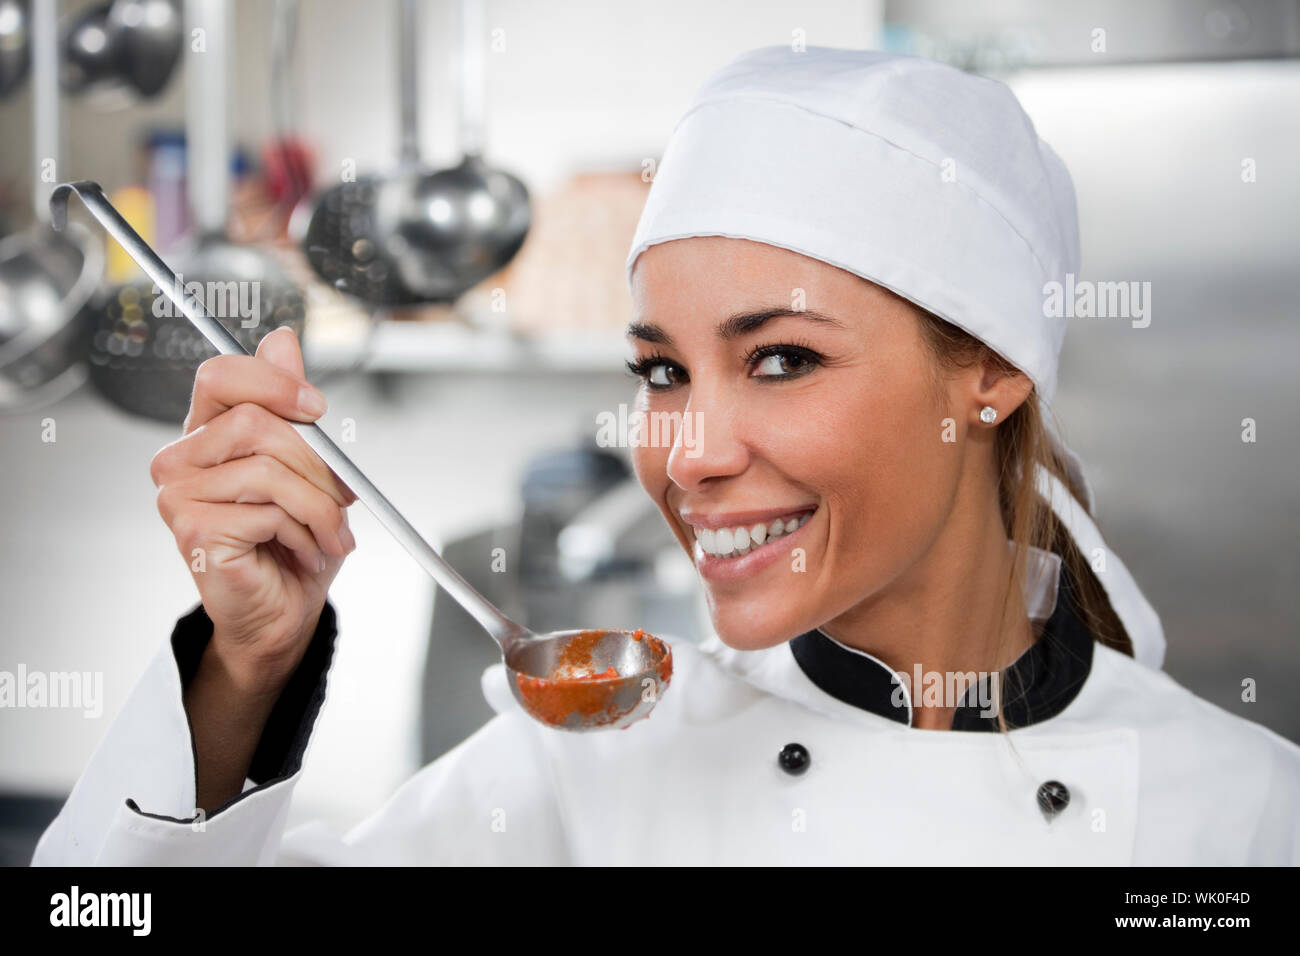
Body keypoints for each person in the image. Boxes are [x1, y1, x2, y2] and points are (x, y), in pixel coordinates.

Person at [33, 46, 1300, 865]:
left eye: (782, 358)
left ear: (987, 370)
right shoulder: (590, 760)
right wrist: (243, 670)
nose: (685, 454)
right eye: (660, 370)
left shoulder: (1242, 814)